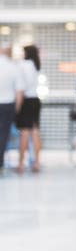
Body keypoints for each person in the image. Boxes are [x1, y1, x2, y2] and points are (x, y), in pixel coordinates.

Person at [14, 44, 42, 174]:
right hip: (35, 100)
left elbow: (21, 87)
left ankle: (20, 164)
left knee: (24, 133)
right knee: (35, 132)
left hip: (26, 101)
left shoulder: (23, 65)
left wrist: (17, 106)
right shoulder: (35, 65)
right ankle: (36, 162)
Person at [0, 46, 24, 171]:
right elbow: (19, 91)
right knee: (3, 134)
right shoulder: (14, 67)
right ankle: (0, 163)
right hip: (7, 105)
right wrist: (16, 110)